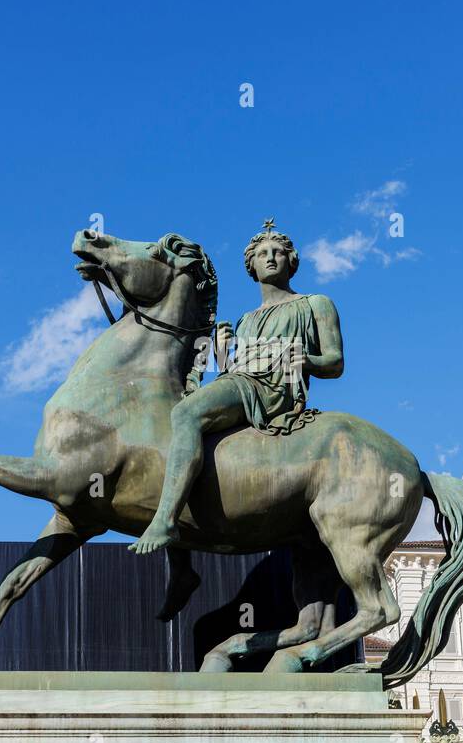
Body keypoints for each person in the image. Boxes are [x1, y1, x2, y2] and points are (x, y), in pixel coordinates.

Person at [130, 219, 345, 574]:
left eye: (278, 252)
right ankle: (182, 557)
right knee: (176, 430)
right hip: (242, 382)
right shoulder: (245, 320)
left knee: (185, 414)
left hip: (272, 390)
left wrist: (308, 359)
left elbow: (335, 363)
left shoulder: (315, 303)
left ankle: (165, 519)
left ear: (291, 261)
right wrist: (222, 351)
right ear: (252, 265)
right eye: (262, 254)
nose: (271, 258)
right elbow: (231, 370)